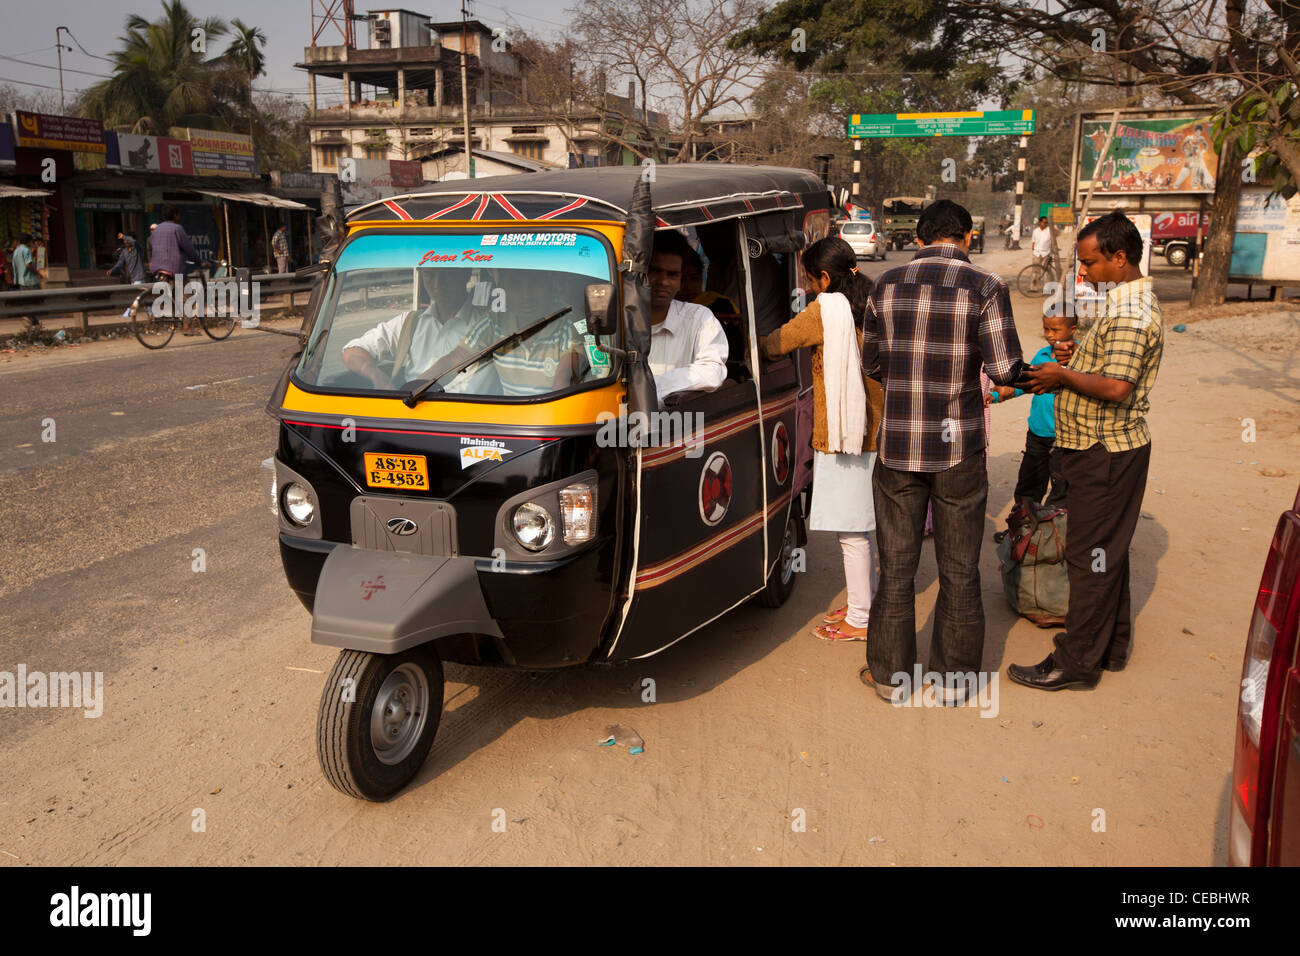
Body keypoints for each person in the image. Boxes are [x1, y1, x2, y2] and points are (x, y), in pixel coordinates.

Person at [859, 199, 1025, 704]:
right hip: (959, 450)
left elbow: (871, 362)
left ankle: (890, 678)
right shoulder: (986, 287)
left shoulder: (885, 285)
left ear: (917, 237)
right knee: (959, 568)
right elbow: (1004, 370)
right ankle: (955, 683)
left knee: (896, 567)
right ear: (968, 238)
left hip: (896, 448)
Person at [1010, 211, 1164, 691]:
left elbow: (1118, 387)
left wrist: (1062, 376)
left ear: (1120, 258)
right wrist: (1077, 361)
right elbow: (1109, 367)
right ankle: (1111, 648)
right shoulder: (1120, 304)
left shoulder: (1132, 314)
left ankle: (1074, 662)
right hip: (1099, 448)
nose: (1083, 273)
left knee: (1089, 557)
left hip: (1105, 452)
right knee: (1106, 553)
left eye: (1090, 263)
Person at [762, 237, 883, 641]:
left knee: (851, 530)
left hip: (846, 434)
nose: (809, 288)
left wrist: (745, 337)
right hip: (875, 429)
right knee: (862, 526)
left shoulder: (826, 309)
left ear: (826, 278)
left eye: (811, 280)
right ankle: (865, 602)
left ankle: (861, 619)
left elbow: (776, 345)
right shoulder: (872, 298)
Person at [987, 311, 1077, 515]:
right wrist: (999, 393)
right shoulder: (1042, 355)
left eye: (1055, 329)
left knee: (1061, 490)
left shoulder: (1080, 358)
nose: (1050, 334)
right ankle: (1021, 531)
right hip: (1037, 434)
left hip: (1065, 438)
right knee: (1029, 484)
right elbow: (1026, 383)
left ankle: (1048, 537)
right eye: (1046, 329)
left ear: (1072, 330)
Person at [341, 269, 475, 390]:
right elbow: (352, 350)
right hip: (412, 409)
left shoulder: (487, 324)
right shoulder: (412, 322)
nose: (437, 285)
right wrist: (376, 376)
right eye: (429, 274)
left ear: (466, 274)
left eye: (447, 274)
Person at [647, 230, 728, 404]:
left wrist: (650, 387)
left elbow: (712, 371)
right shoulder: (619, 318)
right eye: (655, 271)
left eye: (672, 275)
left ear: (680, 280)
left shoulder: (699, 318)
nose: (663, 281)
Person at [149, 205, 204, 335]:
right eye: (178, 214)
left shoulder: (156, 230)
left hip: (157, 267)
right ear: (175, 215)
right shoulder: (177, 228)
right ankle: (187, 327)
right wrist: (199, 262)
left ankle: (171, 314)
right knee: (188, 296)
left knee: (172, 293)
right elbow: (188, 248)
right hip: (173, 268)